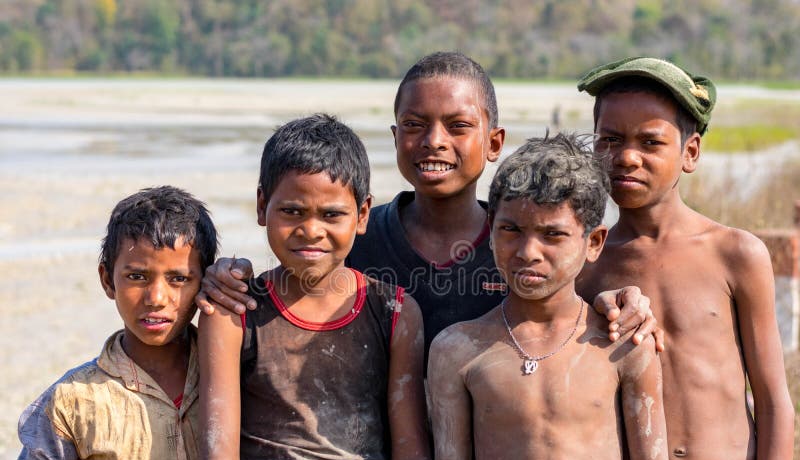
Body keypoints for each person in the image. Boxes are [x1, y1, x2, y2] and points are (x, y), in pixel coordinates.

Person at [196, 51, 660, 367]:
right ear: (396, 139)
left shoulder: (522, 241)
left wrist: (617, 301)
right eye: (415, 125)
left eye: (458, 126)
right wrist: (228, 276)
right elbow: (292, 283)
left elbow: (577, 303)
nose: (434, 141)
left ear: (494, 142)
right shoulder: (356, 236)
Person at [576, 57, 794, 460]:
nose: (626, 157)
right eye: (609, 140)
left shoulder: (735, 254)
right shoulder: (584, 264)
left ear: (690, 152)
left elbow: (774, 401)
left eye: (651, 141)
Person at [429, 133, 678, 460]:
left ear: (594, 241)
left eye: (552, 235)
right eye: (511, 230)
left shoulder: (621, 344)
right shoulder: (458, 350)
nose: (528, 251)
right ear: (491, 230)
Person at [197, 114, 430, 460]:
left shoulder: (394, 310)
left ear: (361, 216)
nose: (310, 230)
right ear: (261, 206)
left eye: (331, 214)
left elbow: (411, 456)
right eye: (292, 210)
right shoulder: (234, 310)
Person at [0, 186, 220, 460]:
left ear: (205, 282)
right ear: (107, 280)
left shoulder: (231, 374)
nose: (157, 298)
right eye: (137, 277)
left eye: (179, 279)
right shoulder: (74, 399)